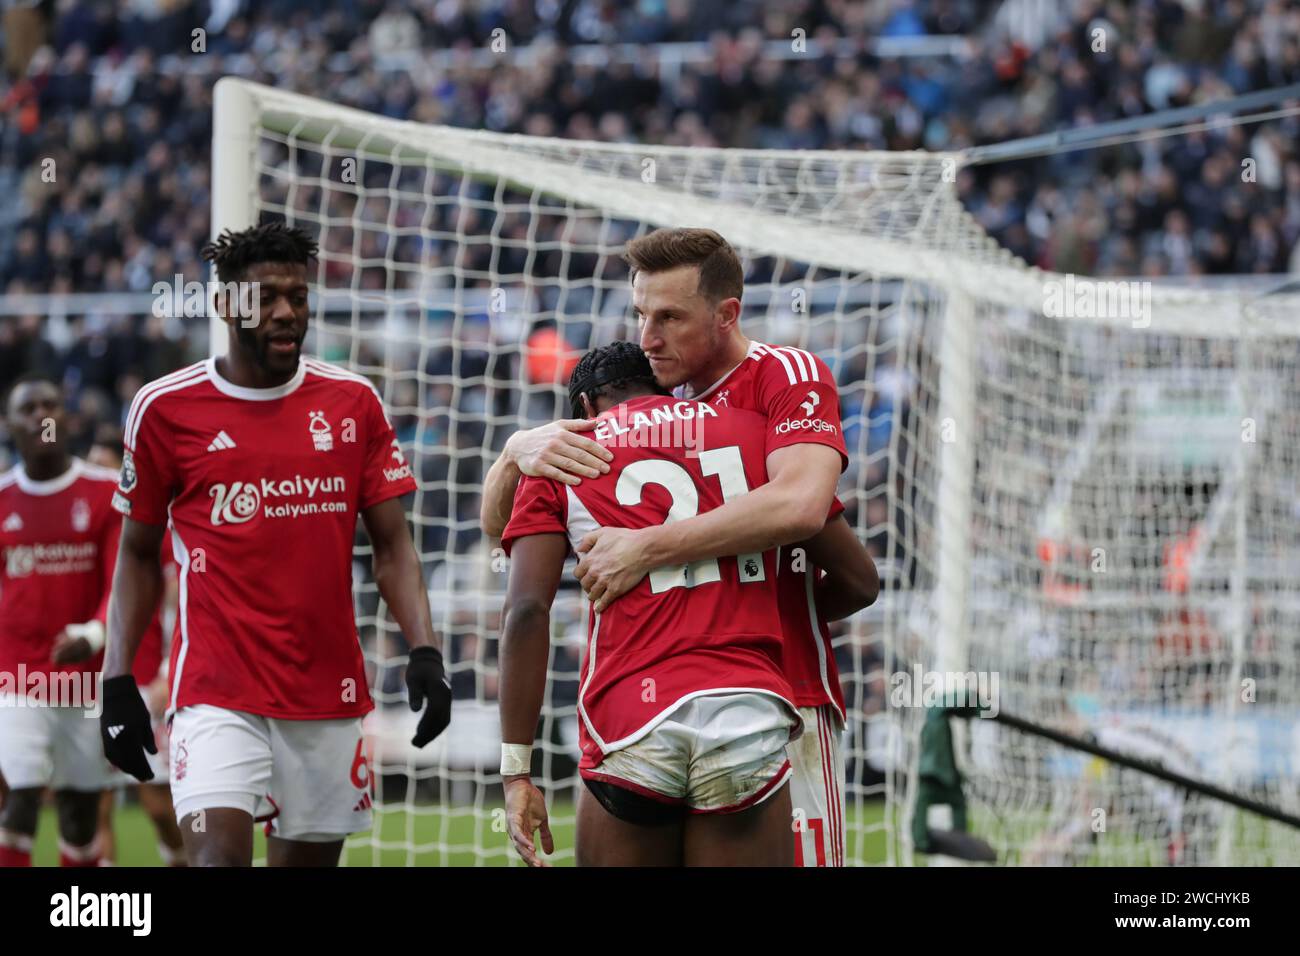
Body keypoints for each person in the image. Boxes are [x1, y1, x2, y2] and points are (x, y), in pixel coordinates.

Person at [482, 228, 878, 865]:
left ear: (727, 315)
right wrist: (514, 453)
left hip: (787, 693)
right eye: (641, 315)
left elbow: (801, 506)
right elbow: (506, 527)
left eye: (668, 317)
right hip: (742, 693)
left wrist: (648, 551)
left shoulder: (785, 376)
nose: (647, 338)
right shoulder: (698, 417)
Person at [101, 222, 453, 866]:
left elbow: (394, 547)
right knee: (216, 862)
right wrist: (117, 681)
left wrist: (425, 651)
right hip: (215, 692)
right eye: (264, 298)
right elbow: (136, 552)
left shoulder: (353, 403)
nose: (286, 312)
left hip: (327, 693)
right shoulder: (164, 408)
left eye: (297, 295)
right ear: (223, 305)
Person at [500, 342, 799, 866]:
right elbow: (857, 579)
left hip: (633, 718)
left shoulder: (559, 456)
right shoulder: (751, 432)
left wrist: (516, 772)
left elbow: (526, 610)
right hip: (744, 708)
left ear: (587, 407)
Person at [0, 373, 121, 867]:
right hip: (18, 677)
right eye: (28, 409)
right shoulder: (2, 498)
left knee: (79, 816)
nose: (40, 417)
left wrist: (93, 635)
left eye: (50, 406)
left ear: (66, 419)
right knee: (21, 796)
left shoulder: (105, 492)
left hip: (84, 682)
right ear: (10, 425)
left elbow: (124, 586)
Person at [86, 428, 185, 866]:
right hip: (85, 687)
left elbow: (176, 602)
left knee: (160, 807)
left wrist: (167, 670)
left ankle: (179, 857)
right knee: (93, 805)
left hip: (142, 681)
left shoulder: (152, 532)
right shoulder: (80, 530)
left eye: (108, 469)